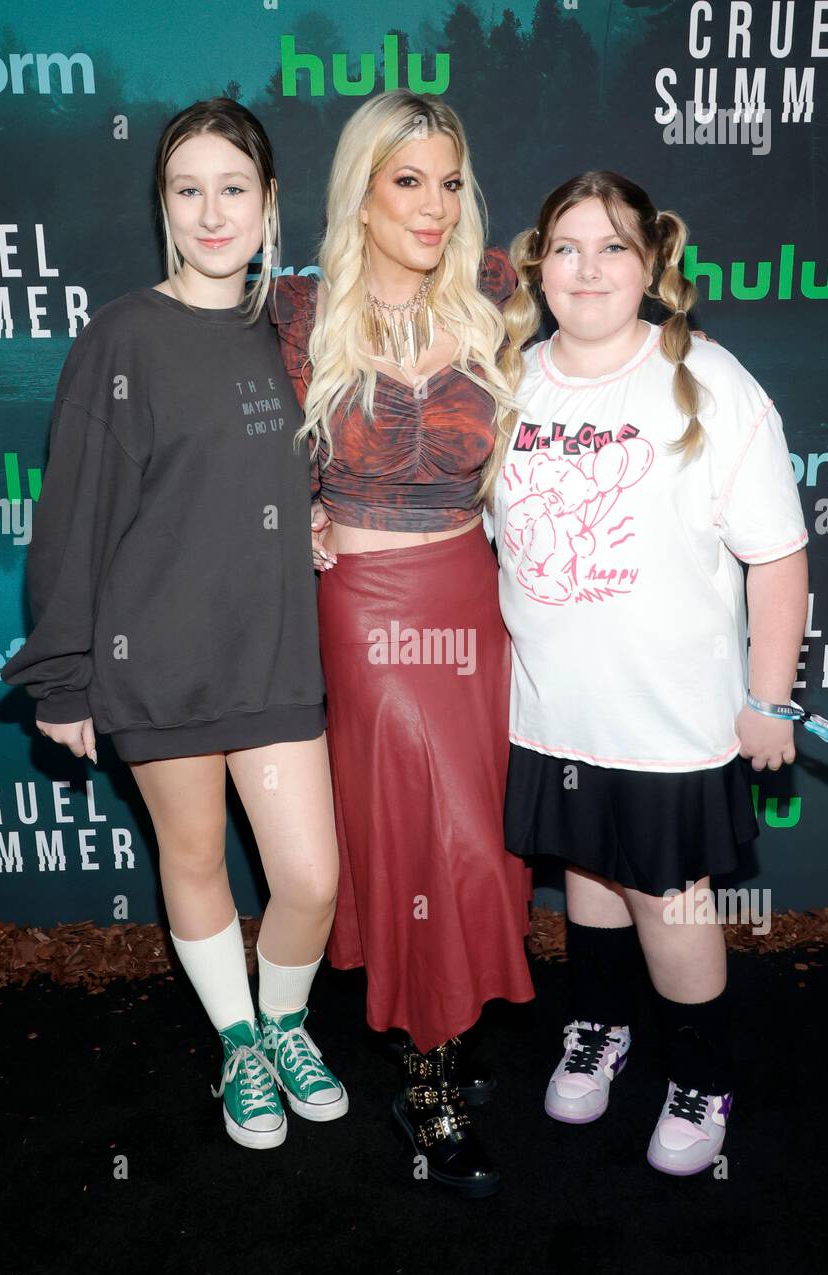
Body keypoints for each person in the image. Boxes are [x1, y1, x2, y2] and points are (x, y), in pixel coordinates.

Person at [1, 98, 347, 1151]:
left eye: (232, 188)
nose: (211, 212)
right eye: (187, 189)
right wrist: (64, 679)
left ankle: (285, 1023)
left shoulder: (297, 326)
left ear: (268, 202)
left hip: (275, 650)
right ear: (161, 204)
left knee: (310, 878)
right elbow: (72, 517)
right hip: (153, 657)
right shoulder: (121, 335)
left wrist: (326, 509)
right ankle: (240, 1044)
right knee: (192, 858)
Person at [481, 170, 809, 1176]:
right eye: (566, 248)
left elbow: (779, 555)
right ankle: (598, 1028)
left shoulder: (707, 377)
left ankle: (701, 1076)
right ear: (538, 266)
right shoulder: (507, 380)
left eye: (611, 247)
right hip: (550, 717)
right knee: (586, 878)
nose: (587, 269)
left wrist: (766, 697)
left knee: (668, 900)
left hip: (668, 722)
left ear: (652, 262)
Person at [267, 90, 534, 1197]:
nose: (433, 206)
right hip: (367, 610)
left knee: (479, 832)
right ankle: (421, 1077)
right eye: (407, 181)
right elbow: (226, 453)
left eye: (449, 181)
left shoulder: (497, 294)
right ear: (362, 191)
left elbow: (631, 313)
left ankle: (449, 1032)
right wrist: (298, 516)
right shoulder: (295, 312)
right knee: (418, 836)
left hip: (475, 599)